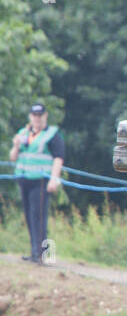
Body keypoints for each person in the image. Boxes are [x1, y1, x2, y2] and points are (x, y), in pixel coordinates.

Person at [8, 103, 64, 263]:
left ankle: (42, 254)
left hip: (40, 181)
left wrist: (54, 179)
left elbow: (58, 158)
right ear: (30, 116)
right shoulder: (23, 133)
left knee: (38, 217)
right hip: (24, 180)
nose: (37, 118)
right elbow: (13, 157)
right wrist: (16, 145)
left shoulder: (52, 134)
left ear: (45, 116)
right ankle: (35, 252)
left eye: (40, 115)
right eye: (34, 115)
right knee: (29, 216)